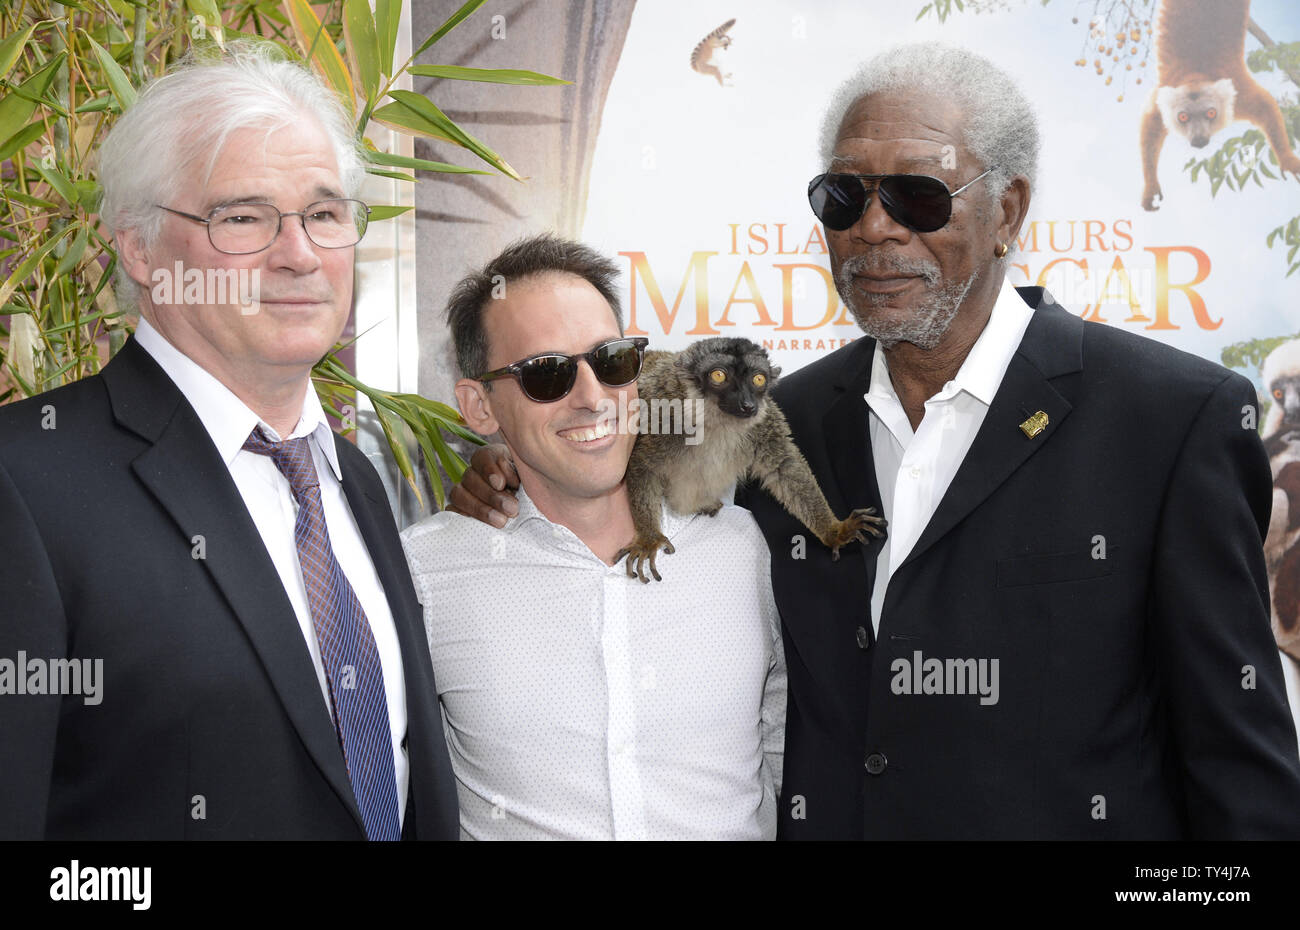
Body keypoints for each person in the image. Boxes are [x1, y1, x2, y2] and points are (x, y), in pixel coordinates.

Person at [454, 42, 1300, 839]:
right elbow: (618, 466)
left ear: (1007, 210)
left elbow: (1242, 775)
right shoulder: (781, 420)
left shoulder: (1171, 422)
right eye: (844, 198)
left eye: (919, 197)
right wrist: (506, 470)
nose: (876, 229)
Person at [0, 42, 457, 840]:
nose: (299, 254)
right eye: (242, 217)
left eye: (323, 214)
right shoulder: (25, 483)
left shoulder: (353, 478)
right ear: (139, 249)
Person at [402, 234, 785, 840]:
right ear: (479, 407)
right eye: (546, 374)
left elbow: (786, 756)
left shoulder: (742, 550)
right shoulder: (424, 575)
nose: (591, 398)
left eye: (611, 361)